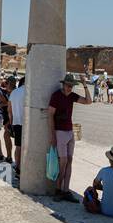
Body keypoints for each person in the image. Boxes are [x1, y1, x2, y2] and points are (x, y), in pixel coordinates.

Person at [48, 73, 91, 201]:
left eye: (71, 86)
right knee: (63, 162)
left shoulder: (72, 96)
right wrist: (52, 135)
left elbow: (88, 101)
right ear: (63, 84)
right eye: (67, 86)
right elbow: (50, 115)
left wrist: (84, 85)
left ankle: (66, 190)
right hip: (60, 132)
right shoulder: (56, 96)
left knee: (70, 160)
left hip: (69, 131)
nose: (69, 88)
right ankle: (58, 189)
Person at [83, 146, 113, 217]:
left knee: (89, 188)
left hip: (105, 210)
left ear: (110, 160)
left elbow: (94, 184)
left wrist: (105, 188)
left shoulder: (104, 171)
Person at [7, 75, 26, 173]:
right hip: (26, 123)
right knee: (25, 147)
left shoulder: (14, 92)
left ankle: (18, 166)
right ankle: (23, 166)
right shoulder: (28, 92)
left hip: (16, 123)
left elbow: (9, 110)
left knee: (18, 146)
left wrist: (11, 124)